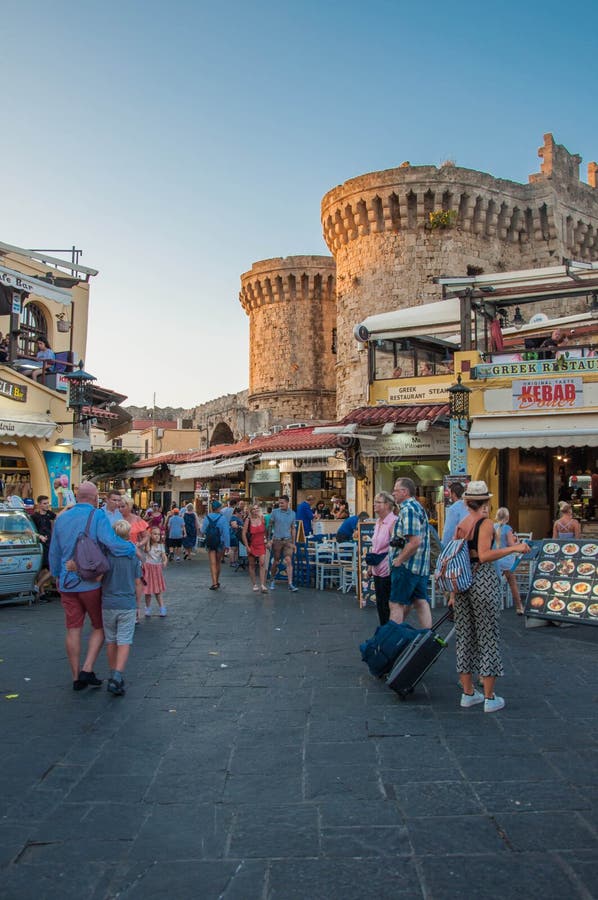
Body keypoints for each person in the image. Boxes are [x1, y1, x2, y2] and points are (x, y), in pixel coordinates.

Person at [48, 481, 137, 691]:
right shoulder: (96, 515)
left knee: (73, 629)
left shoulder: (61, 519)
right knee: (99, 627)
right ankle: (87, 668)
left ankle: (75, 676)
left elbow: (54, 552)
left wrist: (57, 575)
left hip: (67, 583)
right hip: (89, 583)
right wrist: (131, 549)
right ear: (96, 498)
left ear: (78, 497)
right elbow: (111, 542)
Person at [453, 481, 531, 713]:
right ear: (485, 502)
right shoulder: (485, 524)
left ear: (466, 502)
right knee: (488, 636)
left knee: (465, 637)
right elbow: (485, 555)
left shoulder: (462, 524)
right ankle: (489, 696)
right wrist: (514, 549)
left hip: (462, 582)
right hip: (483, 582)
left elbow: (460, 555)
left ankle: (468, 693)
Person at [102, 519, 143, 696]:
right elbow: (138, 582)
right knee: (124, 640)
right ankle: (118, 675)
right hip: (127, 602)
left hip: (108, 601)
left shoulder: (106, 554)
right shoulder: (133, 555)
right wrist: (138, 604)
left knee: (111, 640)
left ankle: (113, 673)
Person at [389, 477, 432, 629]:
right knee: (420, 602)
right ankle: (428, 637)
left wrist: (399, 560)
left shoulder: (408, 509)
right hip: (420, 566)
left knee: (396, 604)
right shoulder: (418, 507)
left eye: (395, 489)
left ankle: (391, 642)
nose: (393, 493)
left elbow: (415, 541)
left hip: (408, 566)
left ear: (404, 491)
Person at [368, 492, 398, 625]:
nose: (374, 504)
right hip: (376, 566)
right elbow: (375, 545)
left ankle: (389, 631)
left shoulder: (393, 521)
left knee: (387, 602)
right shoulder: (378, 522)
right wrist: (370, 566)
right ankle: (383, 630)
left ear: (387, 505)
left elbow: (396, 547)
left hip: (387, 566)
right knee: (380, 602)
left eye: (378, 502)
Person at [493, 507, 525, 615]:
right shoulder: (507, 528)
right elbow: (512, 546)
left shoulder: (493, 527)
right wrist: (519, 543)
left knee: (496, 581)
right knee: (512, 582)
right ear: (507, 517)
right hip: (506, 559)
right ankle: (519, 606)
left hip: (495, 558)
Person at [268, 495, 298, 592]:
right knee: (276, 561)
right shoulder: (275, 512)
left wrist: (294, 543)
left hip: (287, 540)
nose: (280, 504)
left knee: (288, 560)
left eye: (282, 503)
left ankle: (290, 583)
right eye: (279, 503)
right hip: (277, 540)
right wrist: (269, 539)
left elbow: (293, 528)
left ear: (287, 502)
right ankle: (272, 579)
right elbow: (270, 526)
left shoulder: (292, 514)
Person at [30, 494, 56, 601]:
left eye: (47, 503)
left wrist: (66, 508)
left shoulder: (49, 514)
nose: (47, 505)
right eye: (44, 503)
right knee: (45, 569)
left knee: (51, 569)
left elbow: (59, 517)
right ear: (39, 505)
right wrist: (39, 536)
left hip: (49, 543)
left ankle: (39, 588)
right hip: (41, 545)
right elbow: (29, 530)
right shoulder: (34, 517)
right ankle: (41, 592)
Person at [201, 500, 230, 590]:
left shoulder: (207, 517)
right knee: (218, 563)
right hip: (220, 543)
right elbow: (226, 533)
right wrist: (227, 545)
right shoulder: (223, 518)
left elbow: (202, 530)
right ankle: (217, 580)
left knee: (212, 563)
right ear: (219, 508)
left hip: (210, 542)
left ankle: (214, 583)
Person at [242, 503, 268, 592]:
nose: (255, 510)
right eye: (253, 509)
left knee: (262, 563)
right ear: (250, 511)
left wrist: (267, 540)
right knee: (252, 565)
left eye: (257, 509)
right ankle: (254, 584)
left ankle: (263, 585)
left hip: (261, 544)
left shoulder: (262, 518)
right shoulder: (248, 520)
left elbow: (265, 531)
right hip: (252, 544)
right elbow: (243, 534)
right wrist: (247, 546)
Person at [143, 527, 168, 616]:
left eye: (158, 534)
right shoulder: (148, 545)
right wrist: (148, 539)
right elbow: (147, 550)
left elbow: (164, 556)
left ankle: (162, 607)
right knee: (148, 591)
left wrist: (165, 561)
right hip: (149, 569)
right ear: (150, 535)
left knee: (158, 591)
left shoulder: (161, 546)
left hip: (157, 569)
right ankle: (147, 608)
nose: (157, 536)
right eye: (155, 534)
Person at [441, 482, 468, 547]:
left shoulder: (453, 509)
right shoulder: (469, 506)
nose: (450, 496)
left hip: (459, 547)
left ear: (453, 494)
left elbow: (448, 532)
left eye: (450, 493)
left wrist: (443, 548)